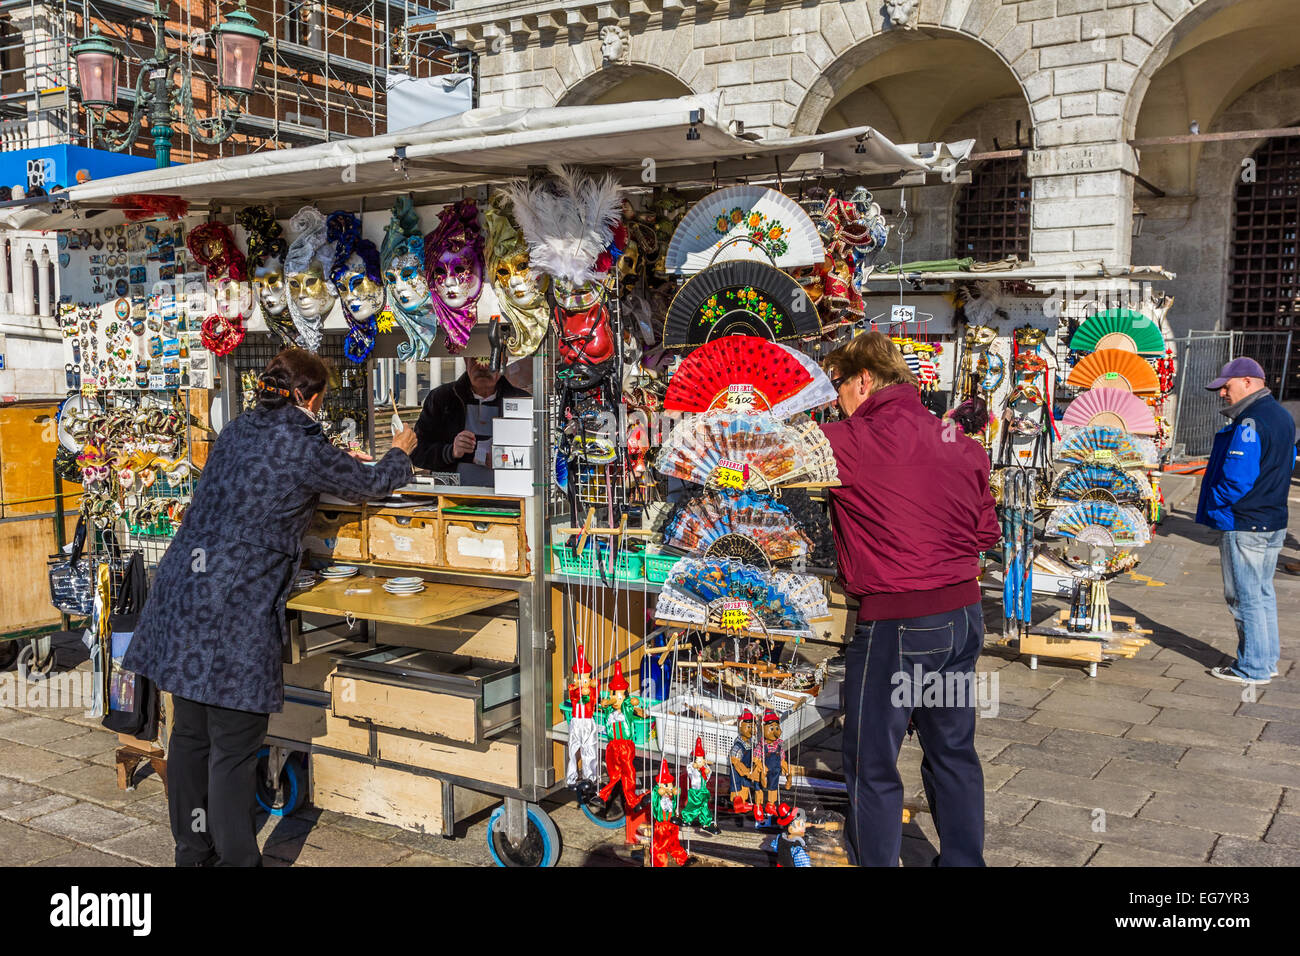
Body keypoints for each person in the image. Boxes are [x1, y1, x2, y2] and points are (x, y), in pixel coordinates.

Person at [123, 348, 418, 866]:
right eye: (322, 399)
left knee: (191, 735)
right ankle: (239, 857)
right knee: (234, 745)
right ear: (308, 396)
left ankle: (193, 853)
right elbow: (372, 483)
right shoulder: (303, 444)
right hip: (233, 608)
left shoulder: (238, 429)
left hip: (183, 592)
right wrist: (399, 450)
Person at [820, 331, 1001, 867]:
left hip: (898, 623)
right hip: (962, 617)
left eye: (840, 388)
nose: (838, 402)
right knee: (953, 752)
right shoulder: (957, 439)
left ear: (864, 380)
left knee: (871, 761)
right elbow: (986, 532)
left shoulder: (847, 440)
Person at [1195, 357, 1298, 685]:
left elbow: (1238, 479)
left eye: (1227, 386)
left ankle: (1251, 668)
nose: (1222, 393)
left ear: (1250, 382)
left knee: (1244, 597)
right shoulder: (1282, 416)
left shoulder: (1250, 421)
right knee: (1262, 592)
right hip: (1273, 519)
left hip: (1246, 522)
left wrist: (1216, 501)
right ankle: (1265, 661)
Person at [410, 356, 529, 483]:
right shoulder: (441, 398)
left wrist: (505, 459)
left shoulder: (522, 401)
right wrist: (451, 451)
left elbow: (538, 453)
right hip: (451, 497)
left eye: (490, 359)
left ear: (503, 362)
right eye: (475, 359)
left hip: (509, 496)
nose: (483, 366)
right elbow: (416, 451)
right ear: (466, 360)